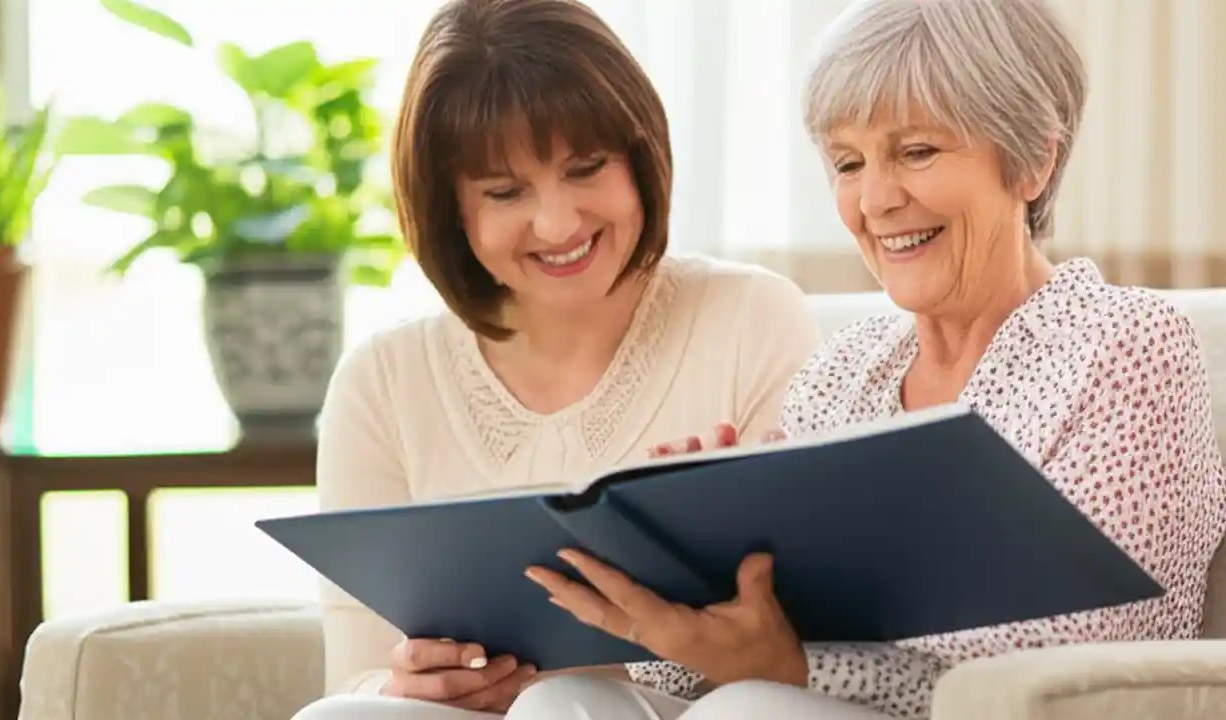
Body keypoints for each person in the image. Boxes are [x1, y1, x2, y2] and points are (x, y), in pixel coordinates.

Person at [519, 0, 1226, 718]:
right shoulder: (842, 372)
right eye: (848, 163)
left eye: (916, 151)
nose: (876, 200)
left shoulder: (1127, 346)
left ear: (1034, 160)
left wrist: (794, 666)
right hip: (787, 702)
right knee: (565, 703)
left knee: (753, 711)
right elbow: (705, 673)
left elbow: (1084, 659)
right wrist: (693, 571)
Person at [290, 0, 823, 718]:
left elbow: (807, 646)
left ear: (638, 157)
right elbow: (351, 677)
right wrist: (407, 683)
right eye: (506, 191)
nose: (557, 223)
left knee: (565, 704)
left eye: (586, 168)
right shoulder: (382, 383)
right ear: (452, 208)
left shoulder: (751, 319)